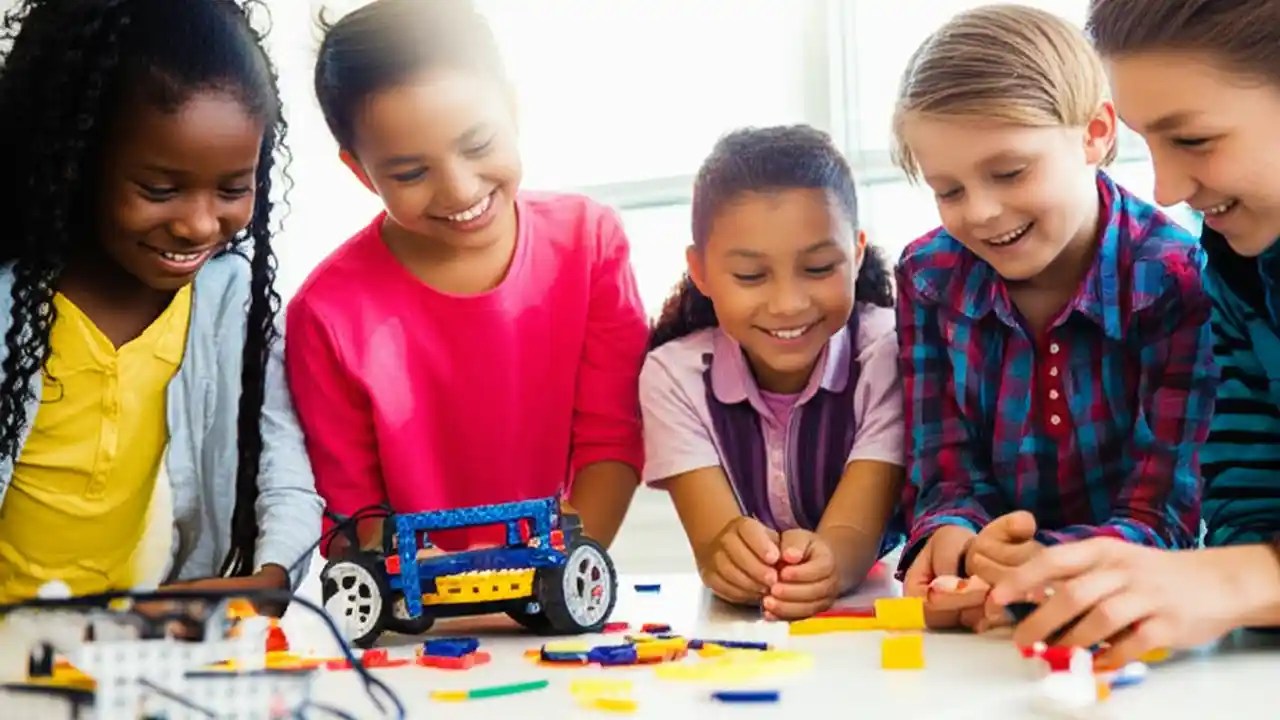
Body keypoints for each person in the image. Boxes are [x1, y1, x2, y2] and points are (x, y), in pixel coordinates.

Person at [890, 4, 1216, 631]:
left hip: (1134, 611)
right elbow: (944, 468)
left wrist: (1044, 563)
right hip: (989, 621)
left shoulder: (1173, 280)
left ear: (1095, 133)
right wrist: (953, 538)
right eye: (948, 190)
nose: (980, 212)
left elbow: (1166, 509)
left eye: (1010, 172)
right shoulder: (928, 277)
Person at [289, 0, 647, 554]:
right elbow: (349, 510)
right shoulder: (325, 314)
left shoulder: (589, 240)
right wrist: (436, 582)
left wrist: (552, 573)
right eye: (411, 173)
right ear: (360, 172)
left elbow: (612, 440)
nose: (459, 190)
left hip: (557, 578)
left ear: (513, 107)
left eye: (478, 145)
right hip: (412, 596)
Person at [0, 0, 321, 605]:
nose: (198, 224)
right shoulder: (10, 301)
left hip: (116, 635)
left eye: (233, 188)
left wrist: (271, 573)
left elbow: (282, 468)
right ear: (75, 163)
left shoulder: (226, 300)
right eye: (159, 189)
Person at [993, 0, 1280, 666]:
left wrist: (1240, 582)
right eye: (1149, 141)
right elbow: (1251, 508)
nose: (1167, 187)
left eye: (1194, 140)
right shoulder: (1237, 270)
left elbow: (1245, 572)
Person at [640, 126, 905, 620]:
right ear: (700, 270)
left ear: (856, 252)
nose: (787, 304)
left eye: (819, 267)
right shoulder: (674, 376)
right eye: (751, 276)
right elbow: (713, 540)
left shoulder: (888, 351)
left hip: (877, 606)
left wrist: (828, 565)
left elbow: (851, 536)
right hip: (750, 625)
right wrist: (732, 562)